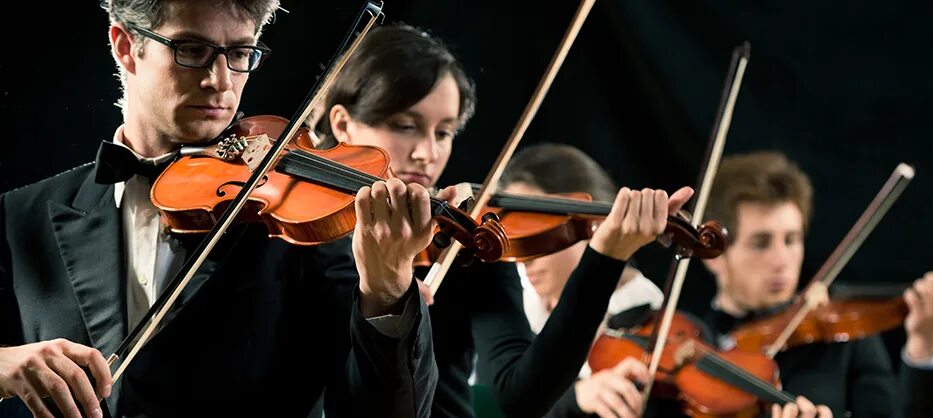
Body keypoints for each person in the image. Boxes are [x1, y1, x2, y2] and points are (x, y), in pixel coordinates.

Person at [0, 1, 437, 417]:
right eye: (192, 50)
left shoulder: (296, 214)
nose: (221, 81)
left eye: (240, 53)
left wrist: (386, 291)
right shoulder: (21, 215)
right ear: (126, 47)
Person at [308, 23, 695, 418]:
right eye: (406, 126)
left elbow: (519, 396)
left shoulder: (466, 241)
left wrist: (606, 258)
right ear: (342, 123)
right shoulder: (285, 232)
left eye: (444, 132)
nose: (427, 152)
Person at [501, 143, 832, 418]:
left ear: (594, 228)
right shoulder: (508, 308)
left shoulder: (653, 323)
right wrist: (575, 398)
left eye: (541, 234)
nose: (526, 253)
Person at [698, 150, 933, 418]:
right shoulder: (687, 348)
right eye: (761, 243)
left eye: (792, 239)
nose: (782, 260)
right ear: (713, 256)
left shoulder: (844, 337)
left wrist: (925, 344)